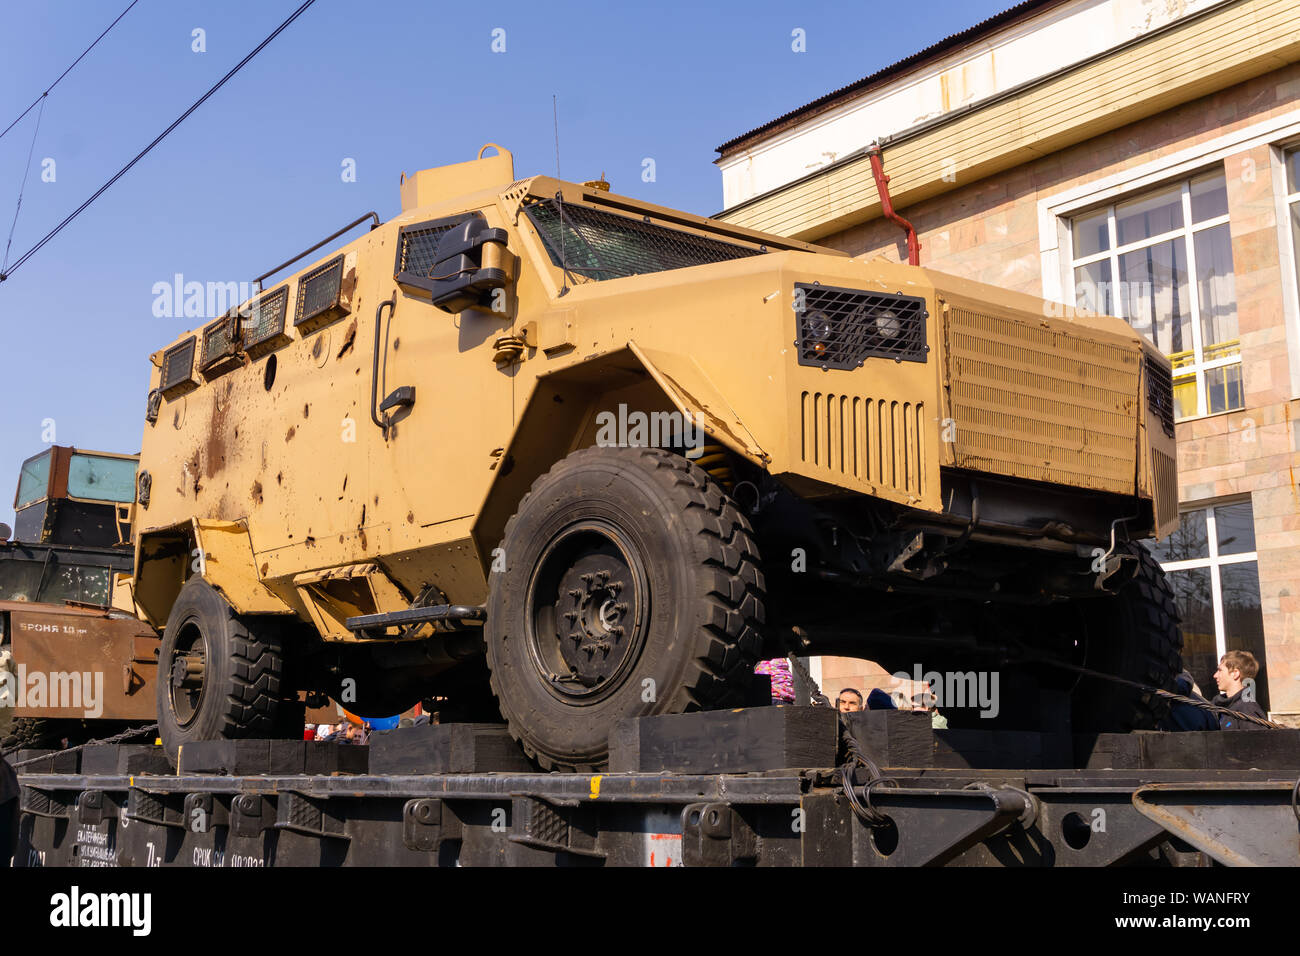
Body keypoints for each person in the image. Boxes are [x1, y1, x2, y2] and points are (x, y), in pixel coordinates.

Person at [1210, 651, 1268, 730]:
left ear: (1235, 674)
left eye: (1220, 670)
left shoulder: (1248, 709)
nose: (1215, 675)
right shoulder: (1218, 706)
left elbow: (1258, 741)